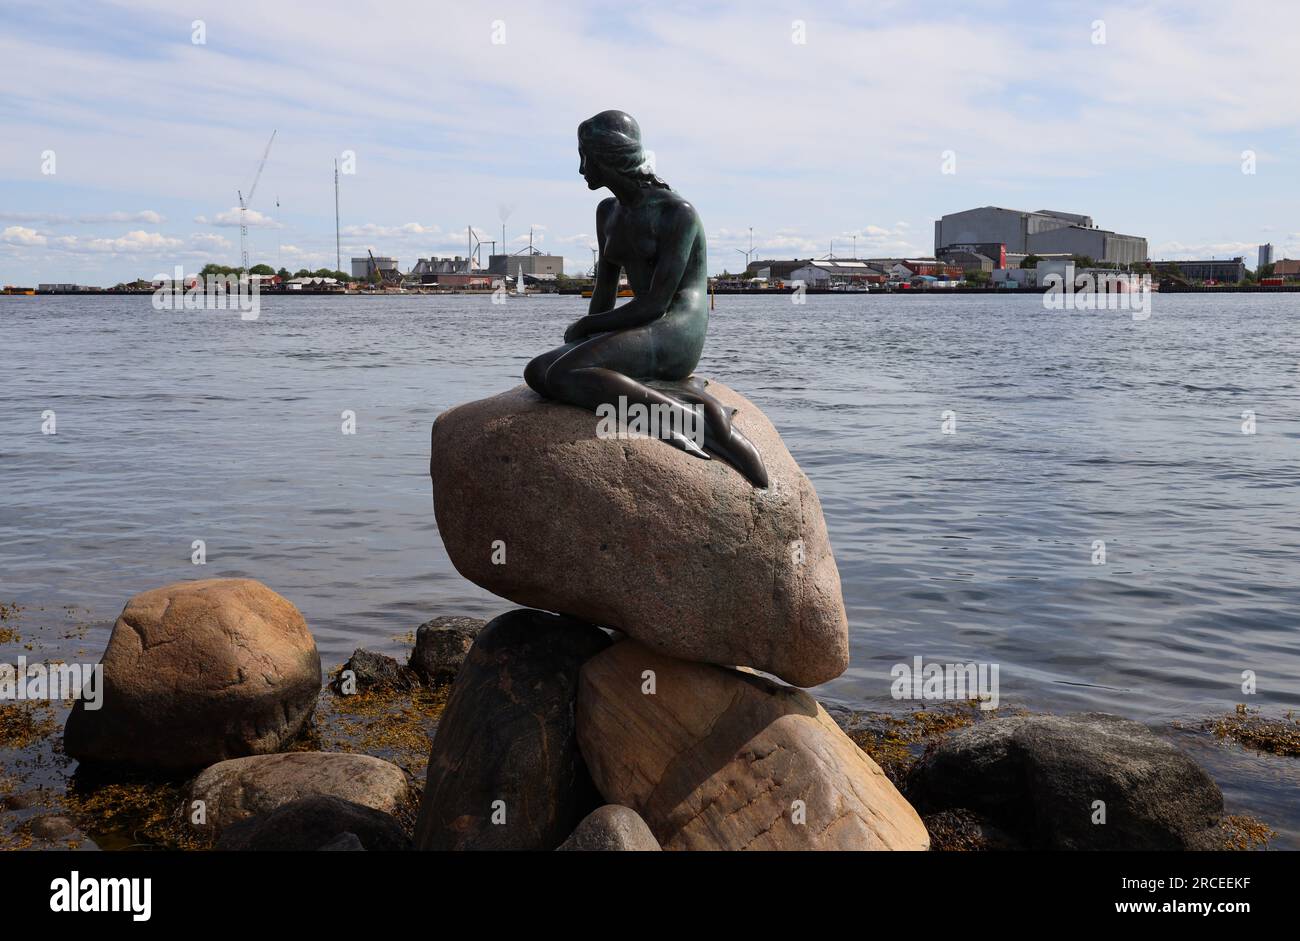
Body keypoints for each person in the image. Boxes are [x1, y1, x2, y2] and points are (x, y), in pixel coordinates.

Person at [524, 110, 768, 488]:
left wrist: (589, 329)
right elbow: (603, 295)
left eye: (585, 156)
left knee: (567, 373)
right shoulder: (607, 212)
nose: (580, 168)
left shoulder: (676, 213)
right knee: (539, 372)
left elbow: (656, 304)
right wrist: (584, 337)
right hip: (642, 327)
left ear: (611, 156)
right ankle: (663, 401)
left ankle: (707, 426)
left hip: (675, 331)